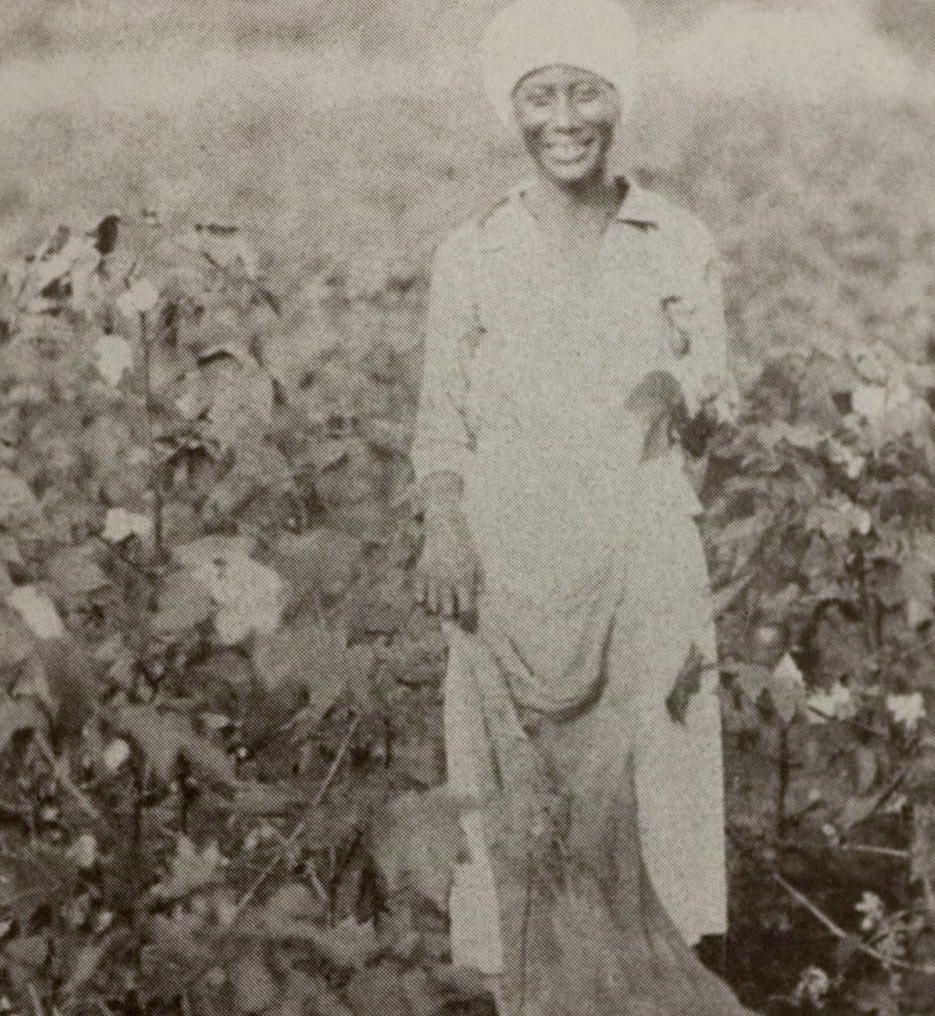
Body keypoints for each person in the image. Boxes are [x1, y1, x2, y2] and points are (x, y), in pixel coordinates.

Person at [408, 0, 750, 1012]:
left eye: (586, 91)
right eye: (539, 95)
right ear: (510, 108)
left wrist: (678, 392)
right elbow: (440, 420)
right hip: (509, 559)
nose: (565, 117)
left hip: (642, 544)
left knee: (652, 773)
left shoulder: (671, 237)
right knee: (518, 792)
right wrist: (443, 521)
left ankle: (651, 990)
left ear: (620, 100)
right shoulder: (472, 251)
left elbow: (718, 390)